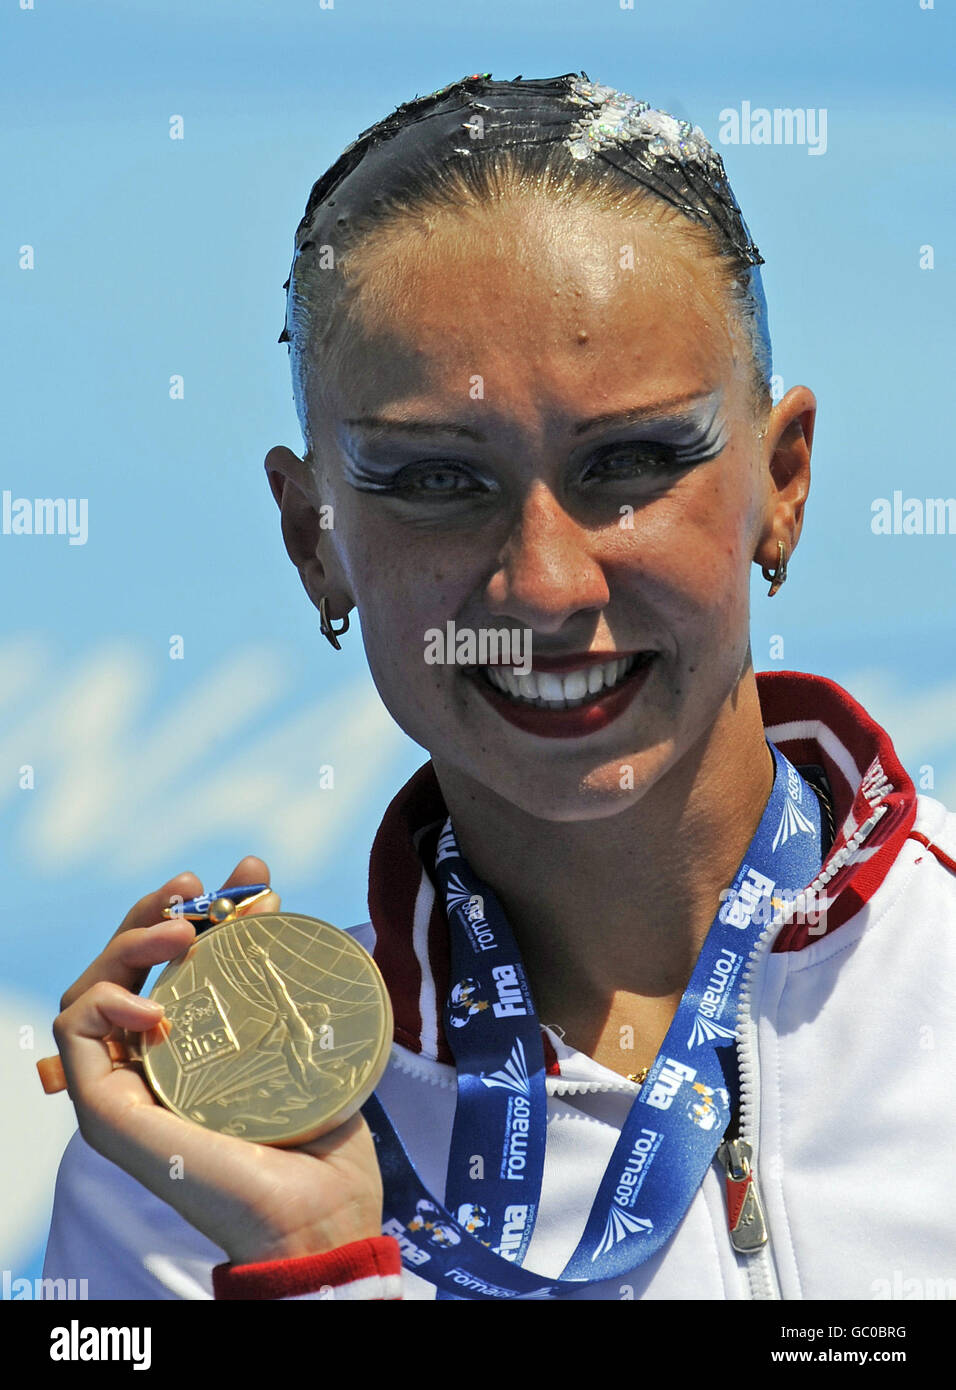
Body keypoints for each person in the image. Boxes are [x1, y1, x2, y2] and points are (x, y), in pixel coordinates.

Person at [42, 72, 956, 1301]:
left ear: (780, 479)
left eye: (626, 463)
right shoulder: (193, 1164)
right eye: (434, 480)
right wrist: (314, 1270)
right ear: (314, 537)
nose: (540, 586)